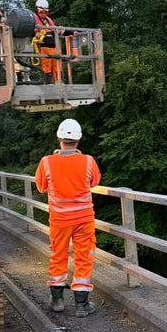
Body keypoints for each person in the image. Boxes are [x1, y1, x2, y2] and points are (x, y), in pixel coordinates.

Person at [34, 118, 101, 317]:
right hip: (83, 219)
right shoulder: (88, 161)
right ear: (78, 141)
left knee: (58, 256)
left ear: (59, 139)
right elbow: (94, 181)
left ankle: (57, 301)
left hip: (59, 221)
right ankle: (82, 305)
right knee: (83, 258)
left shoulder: (46, 162)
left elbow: (41, 187)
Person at [32, 0, 60, 84]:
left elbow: (57, 30)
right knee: (46, 68)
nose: (43, 14)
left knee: (57, 67)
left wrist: (72, 32)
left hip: (53, 47)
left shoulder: (48, 20)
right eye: (42, 12)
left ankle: (58, 83)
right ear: (38, 10)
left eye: (45, 12)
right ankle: (48, 84)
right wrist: (36, 34)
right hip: (44, 47)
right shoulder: (33, 20)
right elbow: (31, 31)